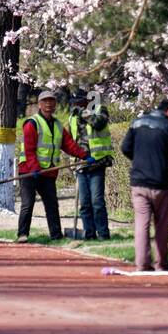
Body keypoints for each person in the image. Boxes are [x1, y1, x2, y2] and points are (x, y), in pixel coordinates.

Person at [120, 99, 168, 272]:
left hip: (139, 182)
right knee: (162, 224)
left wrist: (138, 161)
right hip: (162, 183)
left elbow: (125, 148)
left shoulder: (136, 123)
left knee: (141, 224)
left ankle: (142, 263)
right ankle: (161, 263)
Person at [17, 90, 91, 243]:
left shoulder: (57, 125)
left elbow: (69, 145)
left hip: (48, 172)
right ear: (39, 104)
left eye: (51, 101)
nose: (49, 104)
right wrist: (34, 167)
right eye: (45, 101)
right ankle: (22, 234)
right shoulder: (32, 123)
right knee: (28, 203)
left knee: (52, 204)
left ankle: (56, 235)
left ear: (55, 104)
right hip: (29, 171)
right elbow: (29, 149)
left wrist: (85, 155)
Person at [67, 90, 113, 240]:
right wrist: (72, 162)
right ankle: (89, 233)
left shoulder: (100, 111)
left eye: (80, 102)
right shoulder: (72, 117)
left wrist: (84, 113)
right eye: (75, 102)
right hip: (81, 164)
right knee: (85, 203)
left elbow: (99, 124)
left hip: (97, 162)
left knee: (97, 201)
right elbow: (70, 141)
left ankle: (103, 234)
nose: (77, 105)